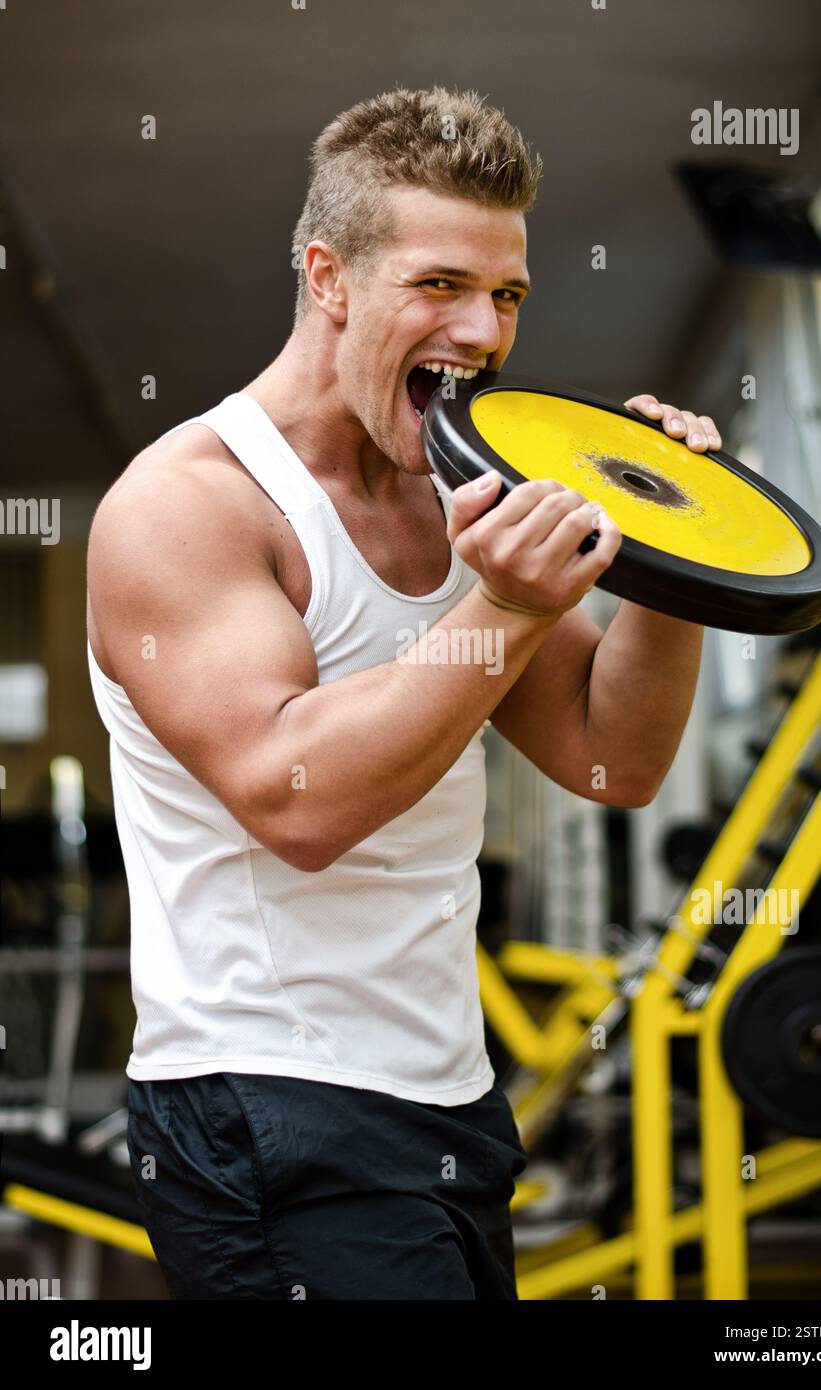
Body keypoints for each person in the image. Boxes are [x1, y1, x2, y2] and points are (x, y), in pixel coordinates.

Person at [86, 85, 719, 1300]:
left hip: (445, 1098)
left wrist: (672, 563)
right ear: (328, 277)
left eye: (507, 295)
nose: (482, 331)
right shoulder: (192, 506)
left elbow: (610, 760)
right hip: (266, 1107)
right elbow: (296, 801)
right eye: (438, 286)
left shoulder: (456, 496)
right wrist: (508, 608)